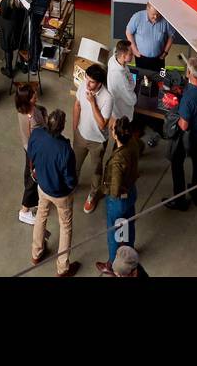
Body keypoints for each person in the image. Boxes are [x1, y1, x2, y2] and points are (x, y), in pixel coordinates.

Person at [27, 108, 80, 277]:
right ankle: (62, 268)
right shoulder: (65, 149)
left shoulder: (37, 135)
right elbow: (70, 178)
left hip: (42, 187)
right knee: (65, 226)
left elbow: (31, 155)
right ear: (62, 127)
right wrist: (71, 186)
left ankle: (37, 253)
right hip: (61, 194)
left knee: (41, 217)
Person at [168, 56, 197, 211]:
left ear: (188, 72)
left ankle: (180, 201)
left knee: (176, 164)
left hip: (188, 136)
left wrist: (174, 112)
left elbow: (183, 125)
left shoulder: (188, 99)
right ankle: (196, 193)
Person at [96, 116, 141, 274]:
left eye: (113, 127)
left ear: (115, 135)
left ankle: (113, 264)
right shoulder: (133, 143)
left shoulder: (117, 161)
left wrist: (105, 191)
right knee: (129, 226)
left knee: (114, 234)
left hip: (118, 201)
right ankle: (130, 255)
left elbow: (114, 191)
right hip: (131, 192)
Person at [73, 63, 113, 214]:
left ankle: (93, 195)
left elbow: (102, 125)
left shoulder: (107, 98)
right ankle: (72, 184)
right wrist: (75, 128)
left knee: (96, 170)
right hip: (80, 135)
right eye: (86, 79)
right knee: (75, 164)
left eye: (91, 82)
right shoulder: (84, 85)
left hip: (97, 141)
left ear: (100, 83)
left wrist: (92, 103)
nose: (87, 84)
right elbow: (77, 105)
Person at [15, 82, 46, 225]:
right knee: (33, 179)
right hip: (35, 152)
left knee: (29, 174)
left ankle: (34, 201)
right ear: (28, 100)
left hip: (27, 148)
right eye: (34, 94)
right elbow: (39, 136)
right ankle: (25, 210)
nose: (36, 95)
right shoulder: (32, 119)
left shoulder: (23, 110)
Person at [125, 2, 172, 70]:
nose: (156, 17)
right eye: (153, 14)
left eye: (158, 14)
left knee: (162, 78)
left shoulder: (165, 20)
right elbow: (128, 32)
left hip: (160, 58)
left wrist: (165, 52)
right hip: (141, 57)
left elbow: (171, 36)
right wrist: (134, 49)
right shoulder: (137, 17)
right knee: (142, 78)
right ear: (147, 9)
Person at [107, 39, 137, 124]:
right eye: (131, 54)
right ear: (123, 56)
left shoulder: (113, 59)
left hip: (117, 101)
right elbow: (132, 100)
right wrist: (132, 85)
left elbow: (128, 74)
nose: (133, 56)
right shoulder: (120, 77)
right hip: (122, 111)